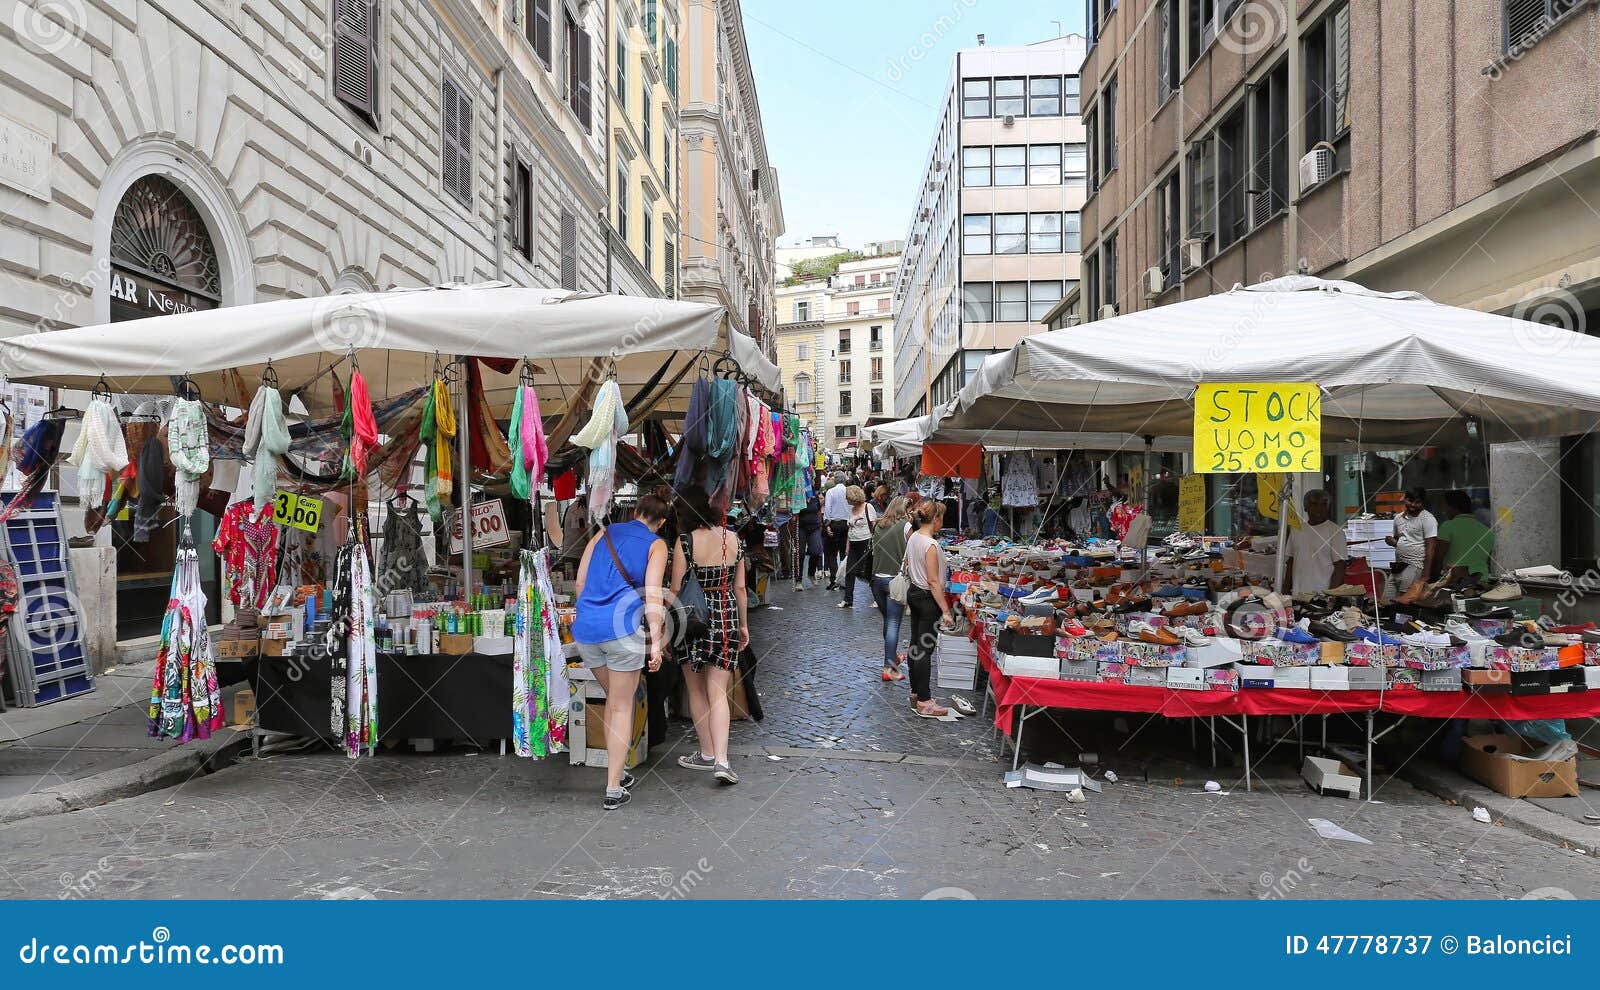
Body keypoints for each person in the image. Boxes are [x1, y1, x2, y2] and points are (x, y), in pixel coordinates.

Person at [572, 494, 670, 810]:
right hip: (622, 631)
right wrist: (655, 642)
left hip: (587, 630)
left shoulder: (605, 532)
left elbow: (580, 584)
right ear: (662, 522)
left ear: (636, 511)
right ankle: (613, 786)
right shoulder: (657, 545)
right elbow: (653, 596)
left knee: (614, 700)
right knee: (620, 706)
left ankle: (618, 772)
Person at [670, 486, 749, 786]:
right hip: (726, 615)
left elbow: (677, 590)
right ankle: (722, 760)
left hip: (693, 618)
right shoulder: (733, 539)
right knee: (718, 690)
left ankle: (705, 752)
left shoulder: (685, 542)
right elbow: (740, 588)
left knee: (696, 689)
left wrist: (666, 628)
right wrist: (743, 625)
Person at [904, 500, 952, 718]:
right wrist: (946, 610)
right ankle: (925, 701)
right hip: (926, 598)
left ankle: (916, 693)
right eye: (941, 518)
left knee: (916, 645)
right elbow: (933, 581)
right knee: (924, 649)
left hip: (914, 593)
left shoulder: (914, 536)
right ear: (935, 519)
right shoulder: (930, 545)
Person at [869, 496, 912, 682]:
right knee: (894, 622)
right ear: (904, 510)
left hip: (877, 579)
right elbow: (913, 551)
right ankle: (888, 668)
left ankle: (891, 657)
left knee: (888, 620)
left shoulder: (879, 525)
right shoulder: (906, 527)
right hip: (895, 580)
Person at [1283, 489, 1349, 596]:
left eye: (1324, 504)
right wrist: (1285, 591)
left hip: (1321, 596)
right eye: (1315, 504)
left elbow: (1340, 567)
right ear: (1306, 507)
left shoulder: (1336, 532)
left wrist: (1331, 596)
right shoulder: (1296, 530)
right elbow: (1291, 562)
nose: (1320, 508)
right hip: (1297, 594)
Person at [1388, 486, 1439, 602]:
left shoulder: (1428, 519)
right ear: (1404, 499)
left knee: (1403, 603)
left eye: (1418, 502)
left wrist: (1426, 575)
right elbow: (1399, 540)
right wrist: (1392, 542)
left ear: (1422, 502)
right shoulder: (1398, 518)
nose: (1413, 505)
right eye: (1410, 501)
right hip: (1397, 566)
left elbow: (1431, 548)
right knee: (1386, 601)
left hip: (1414, 566)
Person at [1434, 489, 1495, 586]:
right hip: (1483, 583)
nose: (1443, 511)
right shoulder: (1488, 532)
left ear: (1452, 507)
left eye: (1445, 506)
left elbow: (1437, 560)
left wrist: (1432, 581)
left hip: (1456, 583)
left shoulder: (1448, 526)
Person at [838, 485, 878, 609]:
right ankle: (848, 599)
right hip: (854, 543)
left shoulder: (868, 507)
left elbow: (874, 525)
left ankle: (877, 598)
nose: (846, 500)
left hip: (866, 542)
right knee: (850, 571)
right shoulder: (851, 510)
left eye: (847, 498)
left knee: (868, 572)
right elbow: (850, 530)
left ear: (853, 497)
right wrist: (847, 547)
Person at [821, 471, 851, 589]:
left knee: (831, 554)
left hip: (834, 524)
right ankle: (843, 580)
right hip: (846, 525)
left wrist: (827, 525)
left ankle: (834, 580)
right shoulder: (849, 491)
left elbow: (827, 509)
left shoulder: (831, 492)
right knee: (844, 553)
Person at [794, 495, 825, 591]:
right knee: (800, 553)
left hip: (815, 527)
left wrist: (820, 524)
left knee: (816, 551)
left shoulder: (815, 497)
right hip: (801, 527)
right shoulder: (798, 495)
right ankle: (798, 580)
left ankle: (811, 573)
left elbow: (819, 511)